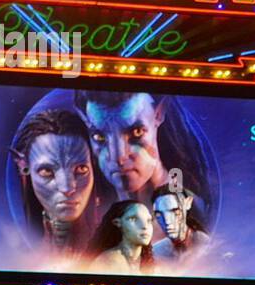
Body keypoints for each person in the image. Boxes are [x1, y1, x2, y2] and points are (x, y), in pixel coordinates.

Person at [74, 91, 213, 215]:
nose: (118, 157)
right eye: (100, 137)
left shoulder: (197, 213)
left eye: (136, 132)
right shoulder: (89, 216)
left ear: (158, 114)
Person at [10, 109, 101, 257]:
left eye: (81, 169)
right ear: (24, 167)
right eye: (47, 172)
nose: (67, 188)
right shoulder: (11, 250)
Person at [88, 200, 155, 275]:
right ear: (117, 223)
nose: (145, 226)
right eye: (133, 219)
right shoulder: (110, 261)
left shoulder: (145, 260)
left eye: (149, 220)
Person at [150, 183, 211, 264]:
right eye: (159, 214)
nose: (167, 221)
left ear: (188, 203)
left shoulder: (207, 245)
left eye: (175, 211)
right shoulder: (156, 252)